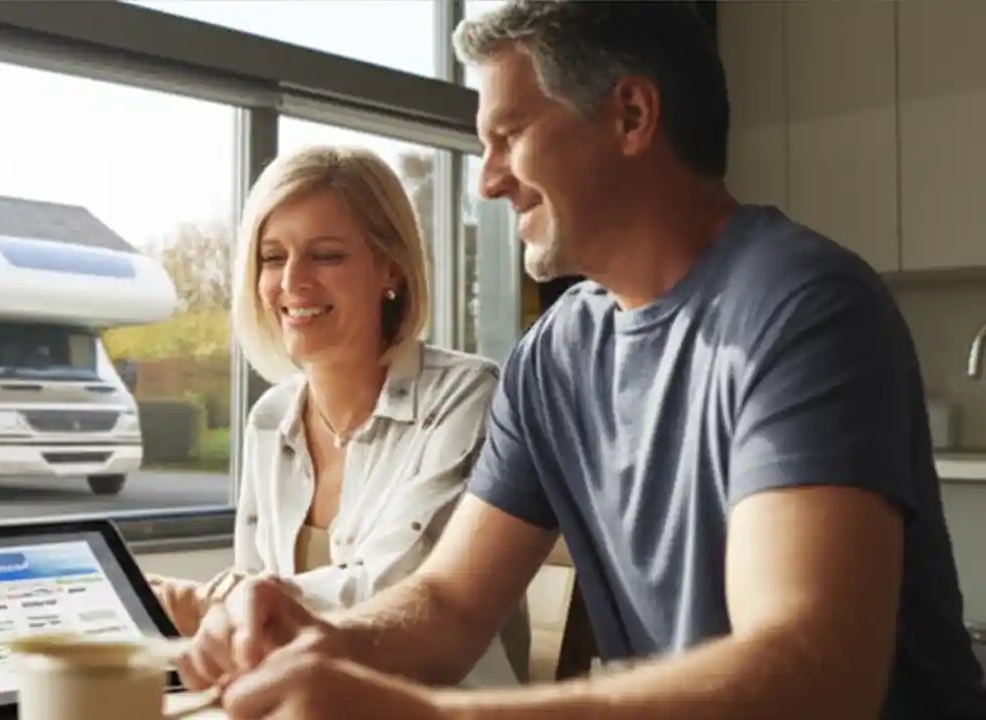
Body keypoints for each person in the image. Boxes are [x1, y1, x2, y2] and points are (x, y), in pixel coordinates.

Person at [177, 2, 986, 719]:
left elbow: (812, 678)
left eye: (509, 136)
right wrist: (320, 637)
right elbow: (452, 605)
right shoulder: (555, 356)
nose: (489, 181)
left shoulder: (804, 309)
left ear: (631, 115)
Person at [147, 144, 528, 687]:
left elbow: (400, 593)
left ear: (389, 269)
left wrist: (211, 602)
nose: (292, 281)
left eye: (325, 255)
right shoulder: (269, 418)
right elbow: (258, 629)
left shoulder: (467, 396)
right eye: (273, 256)